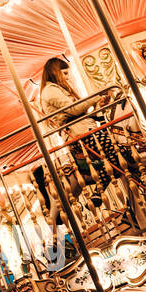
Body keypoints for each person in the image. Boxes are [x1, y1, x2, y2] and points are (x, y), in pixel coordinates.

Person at [39, 57, 121, 208]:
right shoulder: (50, 90)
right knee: (115, 152)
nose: (67, 77)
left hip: (83, 129)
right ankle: (98, 191)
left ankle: (99, 192)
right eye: (64, 73)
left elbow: (78, 114)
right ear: (56, 72)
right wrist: (98, 93)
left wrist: (98, 105)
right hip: (80, 134)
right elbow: (73, 109)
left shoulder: (57, 90)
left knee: (116, 156)